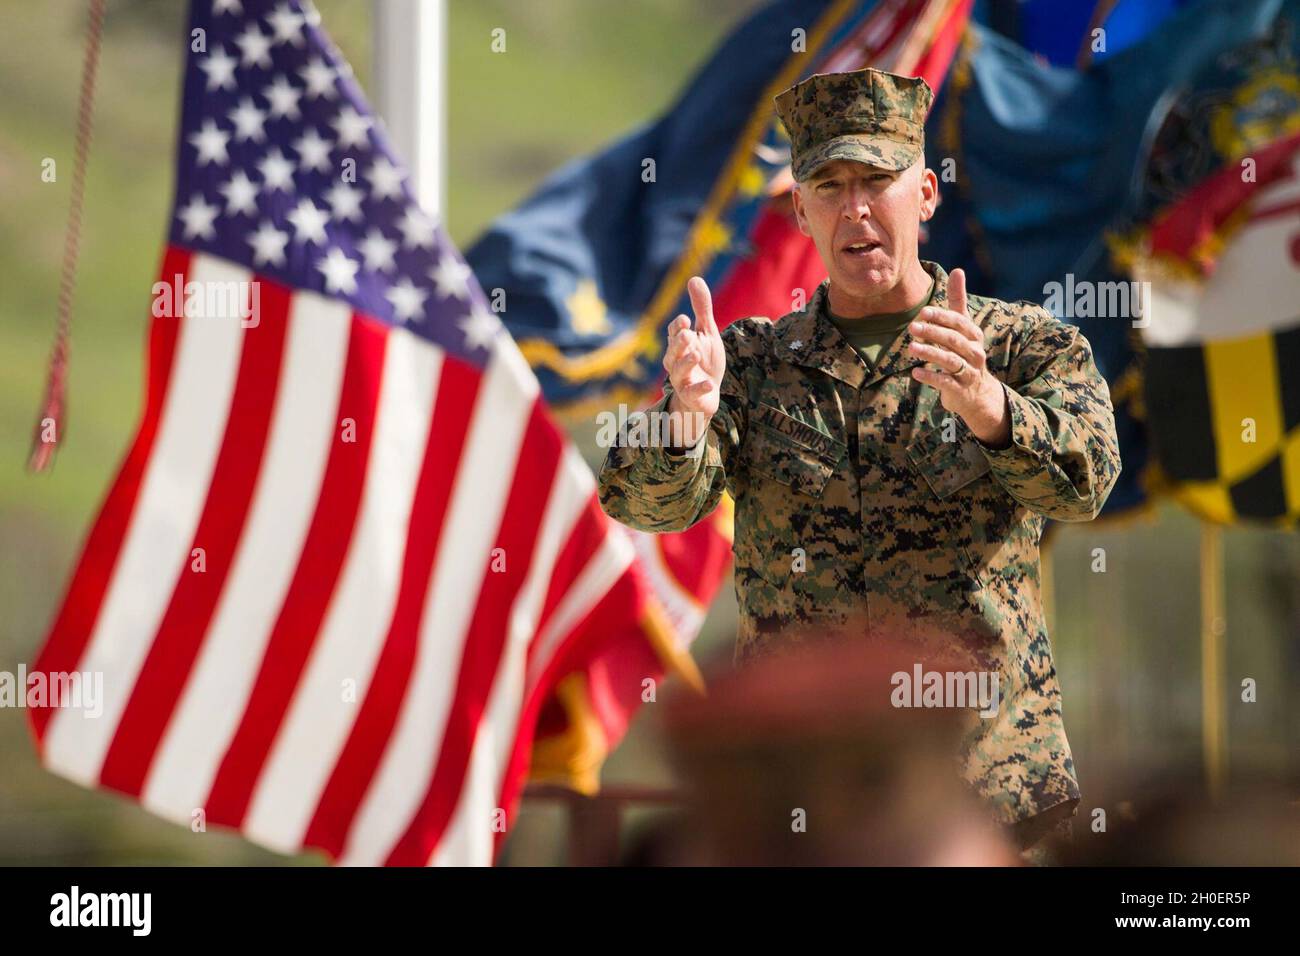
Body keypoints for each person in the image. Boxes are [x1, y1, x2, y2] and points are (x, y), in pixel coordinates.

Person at [596, 67, 1122, 849]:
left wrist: (990, 408)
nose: (857, 209)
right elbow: (636, 501)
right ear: (800, 210)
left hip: (981, 794)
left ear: (927, 196)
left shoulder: (1020, 347)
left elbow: (1087, 482)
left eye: (878, 179)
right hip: (804, 805)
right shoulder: (748, 363)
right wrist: (682, 419)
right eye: (830, 185)